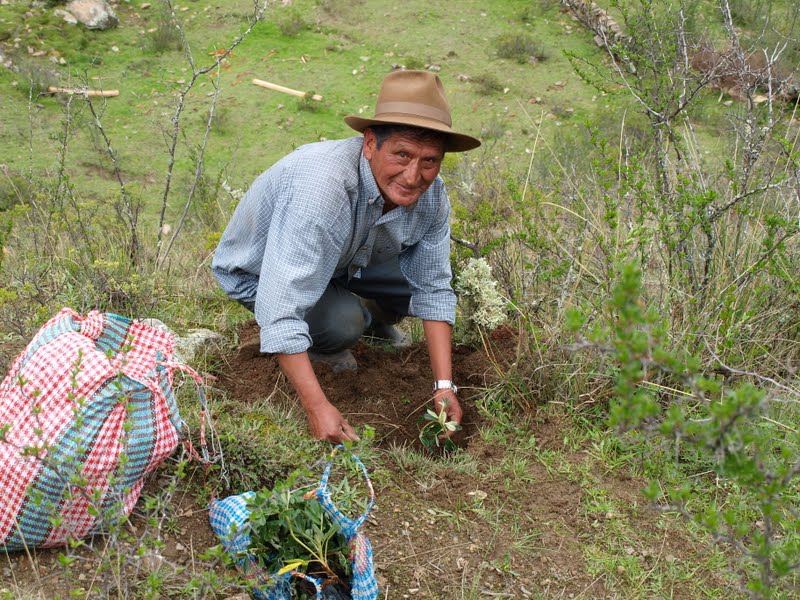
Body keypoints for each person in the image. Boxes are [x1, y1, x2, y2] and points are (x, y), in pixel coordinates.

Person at [212, 70, 481, 443]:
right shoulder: (322, 190)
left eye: (429, 161)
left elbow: (433, 287)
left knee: (409, 286)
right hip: (259, 275)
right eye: (401, 154)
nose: (413, 175)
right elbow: (281, 306)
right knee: (342, 324)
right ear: (370, 143)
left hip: (341, 261)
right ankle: (335, 332)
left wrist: (444, 386)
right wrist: (317, 407)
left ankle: (364, 316)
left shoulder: (433, 195)